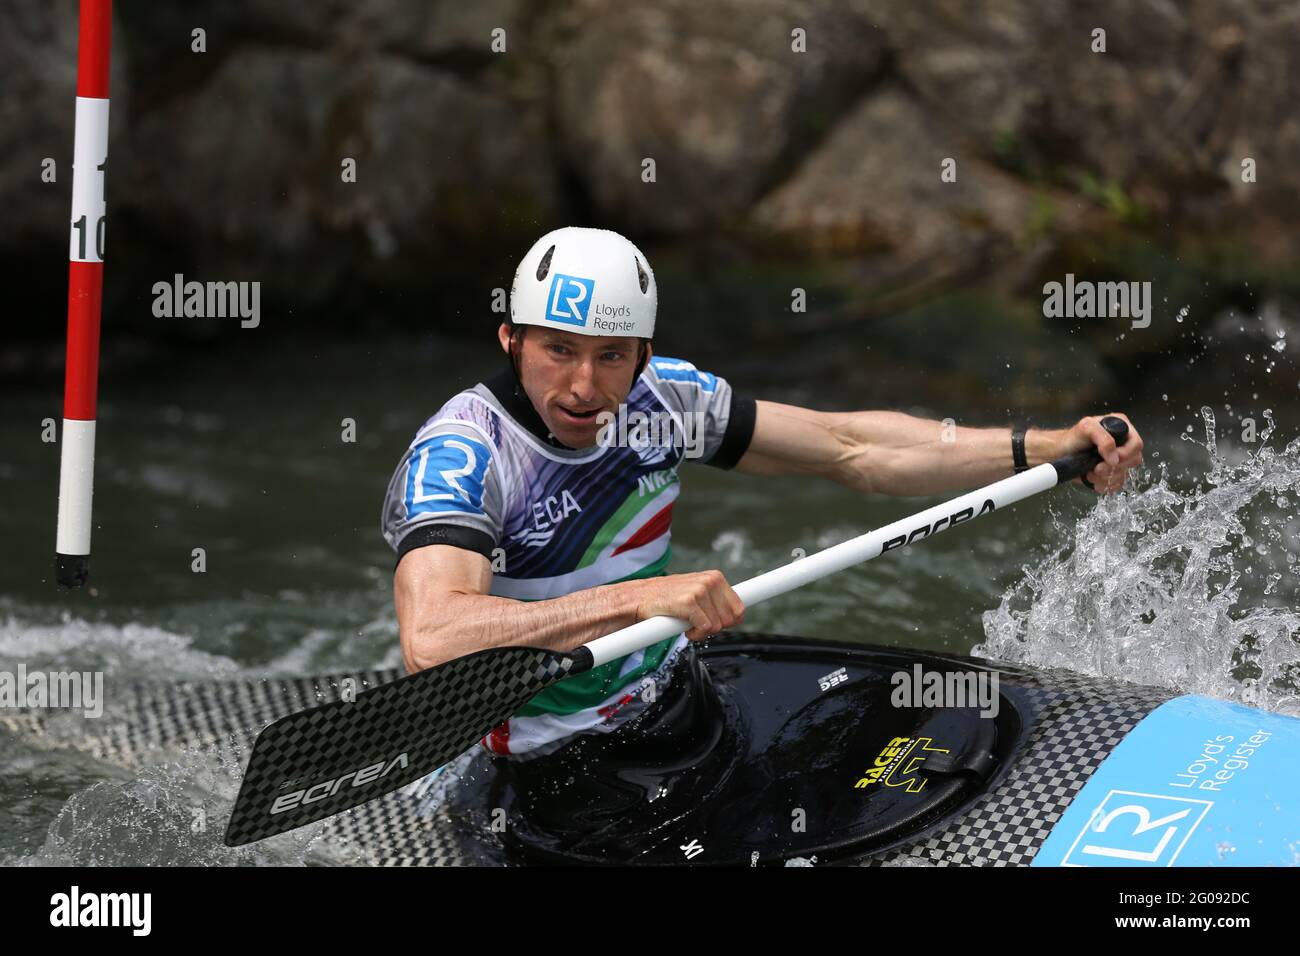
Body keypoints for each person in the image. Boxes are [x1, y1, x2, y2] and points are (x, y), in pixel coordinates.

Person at [380, 226, 1145, 764]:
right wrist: (638, 600)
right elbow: (433, 638)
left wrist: (1039, 449)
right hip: (547, 759)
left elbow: (854, 448)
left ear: (642, 353)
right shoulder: (464, 454)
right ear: (511, 339)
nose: (584, 386)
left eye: (611, 357)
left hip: (675, 699)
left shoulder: (665, 399)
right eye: (558, 351)